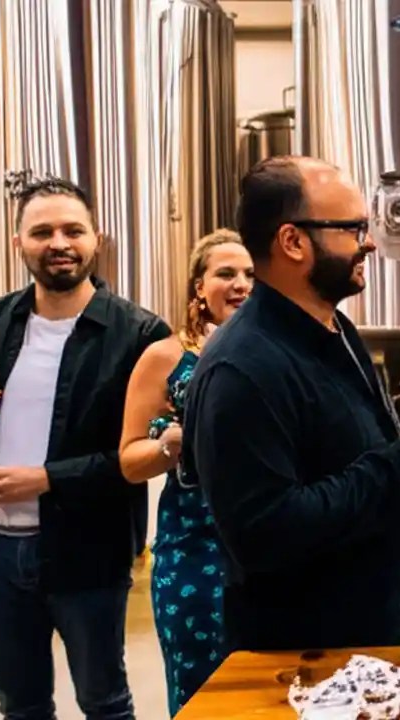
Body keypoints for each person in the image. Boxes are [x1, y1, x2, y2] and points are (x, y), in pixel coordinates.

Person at [182, 157, 400, 651]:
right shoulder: (242, 368)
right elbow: (266, 532)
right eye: (353, 228)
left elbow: (349, 464)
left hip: (379, 627)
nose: (371, 243)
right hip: (311, 658)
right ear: (293, 241)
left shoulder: (334, 329)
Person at [0, 175, 170, 719]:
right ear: (18, 242)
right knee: (20, 705)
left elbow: (141, 458)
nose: (58, 243)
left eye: (73, 230)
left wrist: (46, 479)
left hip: (88, 550)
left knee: (103, 701)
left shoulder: (140, 336)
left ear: (97, 239)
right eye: (42, 232)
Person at [119, 230, 253, 715]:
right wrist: (166, 447)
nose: (241, 285)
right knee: (202, 691)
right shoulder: (166, 357)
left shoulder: (276, 351)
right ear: (199, 287)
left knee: (270, 688)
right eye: (226, 274)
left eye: (251, 275)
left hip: (270, 544)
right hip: (195, 550)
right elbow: (130, 461)